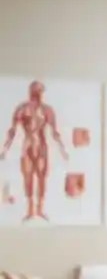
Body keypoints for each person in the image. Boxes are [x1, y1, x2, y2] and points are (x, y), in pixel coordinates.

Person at [0, 80, 68, 222]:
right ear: (31, 91)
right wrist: (5, 148)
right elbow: (12, 131)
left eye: (40, 91)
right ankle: (31, 209)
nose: (38, 94)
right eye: (36, 91)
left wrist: (62, 149)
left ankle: (40, 209)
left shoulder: (47, 110)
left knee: (41, 177)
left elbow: (55, 132)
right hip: (28, 145)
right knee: (28, 177)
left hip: (41, 146)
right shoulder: (22, 109)